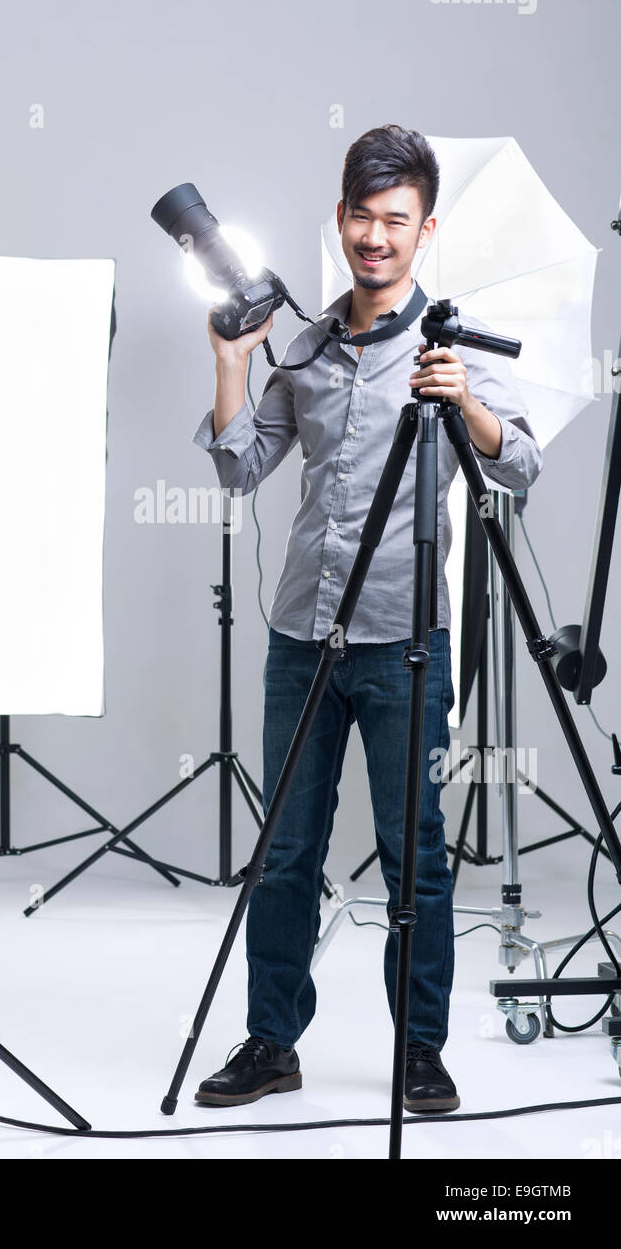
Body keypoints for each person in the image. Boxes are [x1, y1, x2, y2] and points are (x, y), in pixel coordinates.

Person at [191, 124, 542, 1111]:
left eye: (395, 221)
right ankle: (270, 1041)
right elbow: (236, 468)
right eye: (360, 217)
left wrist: (463, 404)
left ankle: (417, 1052)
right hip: (300, 635)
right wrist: (230, 361)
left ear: (422, 228)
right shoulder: (300, 347)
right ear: (338, 219)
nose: (374, 237)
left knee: (411, 853)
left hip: (403, 641)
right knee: (285, 850)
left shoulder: (452, 346)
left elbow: (518, 465)